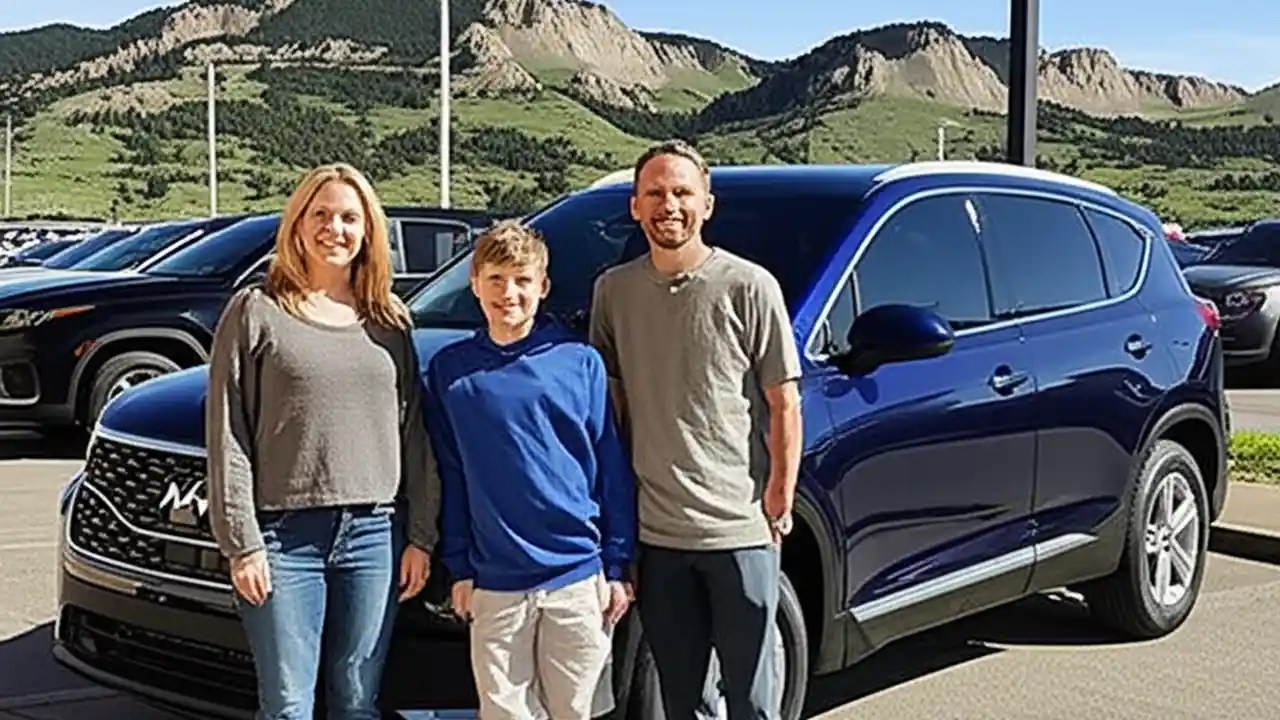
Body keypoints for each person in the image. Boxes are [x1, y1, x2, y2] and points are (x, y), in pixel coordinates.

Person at [206, 162, 438, 720]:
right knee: (288, 706)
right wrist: (242, 542)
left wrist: (422, 537)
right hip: (284, 540)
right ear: (298, 223)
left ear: (368, 231)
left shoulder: (389, 319)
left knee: (357, 701)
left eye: (349, 218)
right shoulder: (256, 309)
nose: (335, 228)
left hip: (376, 534)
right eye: (322, 214)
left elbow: (414, 434)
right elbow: (227, 432)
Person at [588, 139, 803, 719]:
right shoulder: (613, 292)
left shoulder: (749, 286)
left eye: (682, 192)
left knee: (753, 702)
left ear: (707, 203)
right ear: (635, 206)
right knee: (681, 703)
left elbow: (784, 401)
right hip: (657, 539)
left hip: (739, 531)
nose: (669, 205)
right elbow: (611, 409)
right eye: (655, 193)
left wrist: (779, 494)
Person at [424, 220, 637, 720]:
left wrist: (616, 565)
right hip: (495, 583)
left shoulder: (578, 362)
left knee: (576, 711)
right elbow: (452, 475)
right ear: (475, 284)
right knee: (504, 712)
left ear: (542, 287)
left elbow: (610, 467)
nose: (508, 293)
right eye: (495, 279)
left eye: (522, 280)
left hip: (577, 578)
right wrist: (460, 567)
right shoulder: (452, 372)